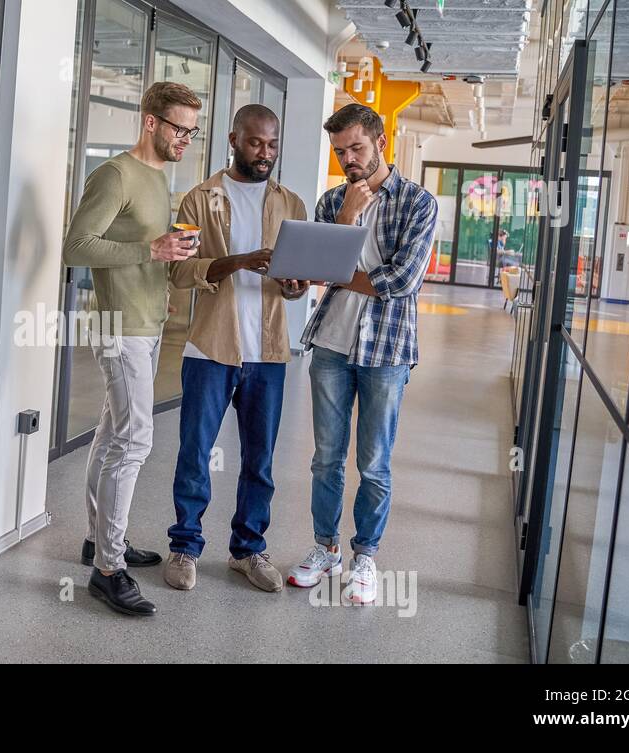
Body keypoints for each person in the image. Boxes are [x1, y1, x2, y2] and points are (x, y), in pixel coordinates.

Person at [285, 103, 438, 605]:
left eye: (357, 148)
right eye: (340, 151)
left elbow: (401, 281)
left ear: (381, 142)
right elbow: (311, 268)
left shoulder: (418, 204)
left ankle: (365, 556)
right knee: (325, 459)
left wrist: (332, 268)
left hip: (388, 350)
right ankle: (324, 548)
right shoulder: (333, 201)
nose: (348, 159)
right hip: (330, 343)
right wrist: (348, 218)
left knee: (374, 463)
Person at [62, 81, 203, 617]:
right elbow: (75, 247)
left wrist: (164, 271)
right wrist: (153, 246)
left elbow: (144, 253)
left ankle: (98, 542)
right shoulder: (115, 174)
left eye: (192, 131)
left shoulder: (159, 177)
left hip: (145, 323)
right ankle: (108, 568)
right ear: (150, 122)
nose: (184, 139)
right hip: (119, 329)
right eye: (178, 128)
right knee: (135, 440)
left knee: (109, 434)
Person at [163, 104, 309, 593]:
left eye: (272, 144)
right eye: (254, 143)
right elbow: (181, 273)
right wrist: (239, 261)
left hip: (268, 353)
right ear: (233, 139)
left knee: (260, 459)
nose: (264, 153)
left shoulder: (291, 203)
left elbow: (297, 287)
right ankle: (184, 547)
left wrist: (293, 285)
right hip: (210, 348)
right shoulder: (199, 199)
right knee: (195, 452)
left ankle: (247, 550)